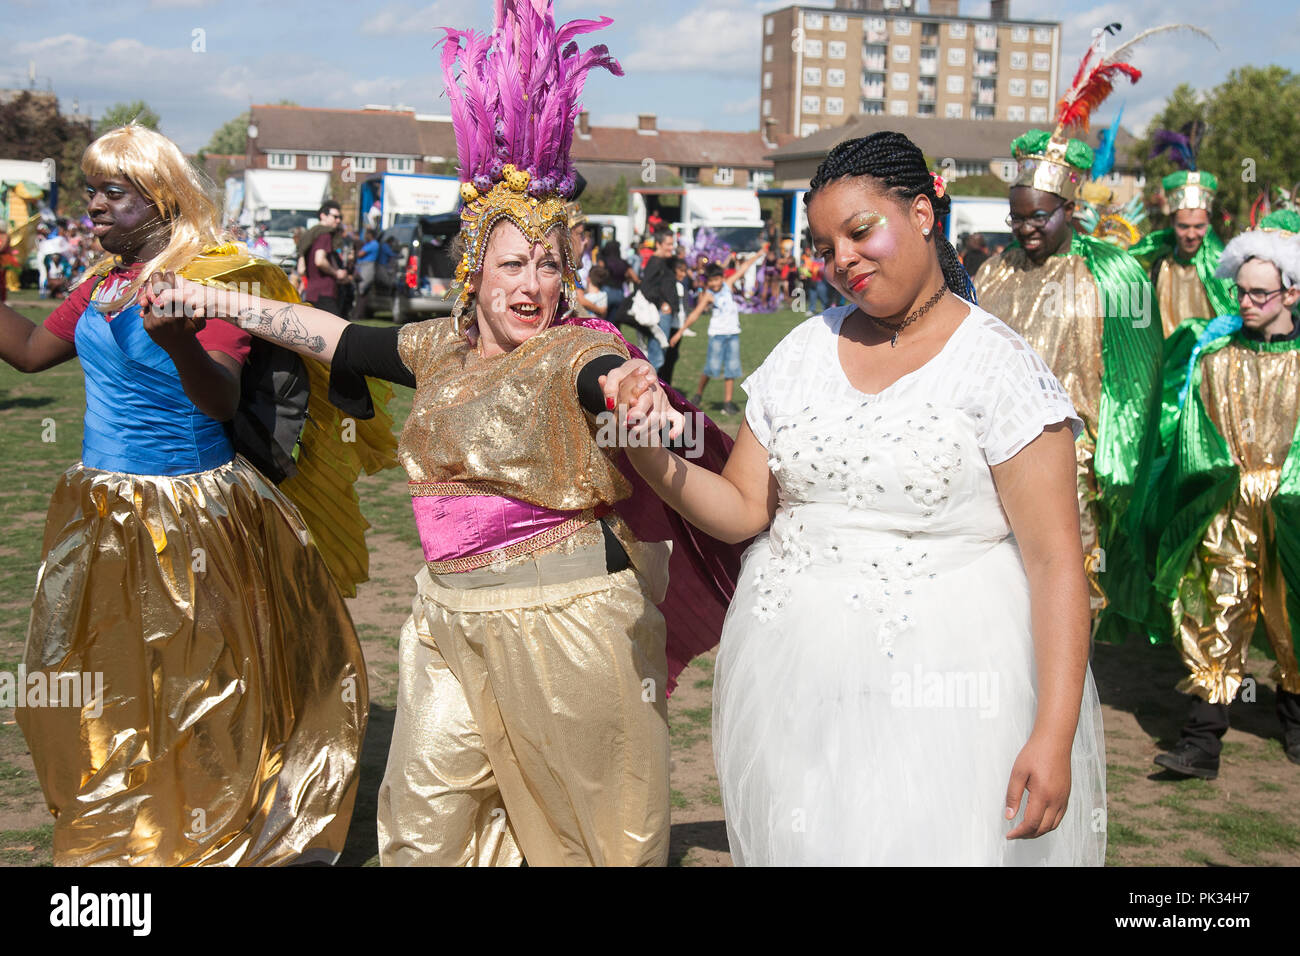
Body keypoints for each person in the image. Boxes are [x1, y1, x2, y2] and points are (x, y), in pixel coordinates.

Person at [147, 0, 741, 867]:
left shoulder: (576, 349)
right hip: (446, 621)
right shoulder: (439, 348)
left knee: (593, 841)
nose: (534, 282)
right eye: (513, 263)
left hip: (567, 624)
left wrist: (627, 388)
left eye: (550, 263)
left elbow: (601, 376)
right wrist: (212, 300)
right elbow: (328, 335)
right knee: (423, 830)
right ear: (473, 270)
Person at [603, 130, 1106, 865]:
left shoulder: (1000, 367)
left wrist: (1054, 733)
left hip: (951, 692)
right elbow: (744, 510)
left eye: (861, 230)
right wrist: (648, 453)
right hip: (798, 680)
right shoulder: (801, 354)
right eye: (826, 243)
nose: (842, 258)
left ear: (926, 215)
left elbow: (1057, 562)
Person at [0, 124, 371, 865]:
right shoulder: (102, 283)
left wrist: (176, 341)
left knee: (205, 684)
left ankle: (214, 826)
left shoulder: (213, 280)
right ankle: (142, 816)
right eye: (90, 190)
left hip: (192, 513)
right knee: (105, 677)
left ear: (160, 198)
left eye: (113, 191)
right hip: (103, 511)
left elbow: (222, 401)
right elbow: (32, 353)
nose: (93, 206)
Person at [973, 128, 1162, 644]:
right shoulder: (992, 272)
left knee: (1070, 576)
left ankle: (1066, 695)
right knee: (1002, 576)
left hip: (1075, 458)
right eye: (1017, 217)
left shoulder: (1113, 273)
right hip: (992, 453)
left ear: (1070, 208)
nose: (1026, 228)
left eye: (1039, 216)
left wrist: (1116, 458)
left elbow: (1138, 375)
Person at [1149, 211, 1300, 777]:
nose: (1246, 302)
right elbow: (1194, 434)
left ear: (1291, 292)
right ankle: (1202, 738)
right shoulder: (1214, 358)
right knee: (1219, 607)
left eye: (1260, 294)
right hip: (1228, 506)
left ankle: (1295, 716)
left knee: (1292, 612)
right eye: (1240, 290)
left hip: (1292, 504)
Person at [1129, 170, 1235, 338]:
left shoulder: (1220, 268)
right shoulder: (1157, 265)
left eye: (1199, 226)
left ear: (1208, 223)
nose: (1191, 235)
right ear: (1172, 222)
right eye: (1183, 226)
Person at [676, 250, 765, 415]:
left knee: (731, 369)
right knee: (712, 367)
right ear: (708, 282)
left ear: (722, 278)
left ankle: (728, 402)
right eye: (712, 281)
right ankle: (698, 393)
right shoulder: (708, 296)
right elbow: (695, 313)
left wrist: (758, 254)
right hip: (717, 335)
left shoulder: (728, 285)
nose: (715, 283)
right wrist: (680, 331)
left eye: (717, 279)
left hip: (732, 334)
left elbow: (744, 268)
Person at [301, 200, 350, 315]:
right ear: (323, 216)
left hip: (312, 292)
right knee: (338, 330)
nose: (338, 220)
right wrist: (336, 272)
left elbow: (300, 269)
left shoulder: (309, 236)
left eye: (340, 217)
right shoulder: (325, 234)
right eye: (335, 217)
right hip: (324, 293)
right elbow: (319, 260)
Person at [353, 227, 380, 319]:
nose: (364, 236)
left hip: (367, 268)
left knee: (362, 291)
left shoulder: (373, 244)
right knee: (360, 293)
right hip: (362, 267)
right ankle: (358, 313)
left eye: (366, 234)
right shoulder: (369, 244)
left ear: (370, 235)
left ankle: (359, 314)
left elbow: (360, 254)